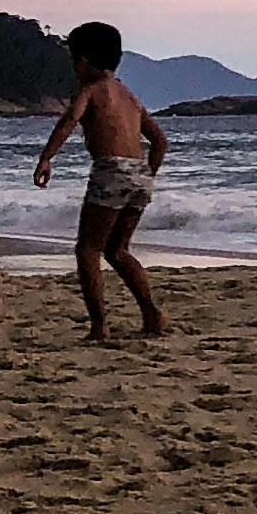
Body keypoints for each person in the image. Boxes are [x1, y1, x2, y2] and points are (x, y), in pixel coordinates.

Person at [36, 20, 170, 341]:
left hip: (110, 170)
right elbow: (160, 140)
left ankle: (99, 325)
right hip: (140, 174)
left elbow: (70, 120)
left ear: (82, 61)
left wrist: (46, 158)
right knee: (119, 250)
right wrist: (147, 173)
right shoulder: (130, 96)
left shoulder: (91, 91)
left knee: (88, 250)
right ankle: (151, 314)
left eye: (73, 61)